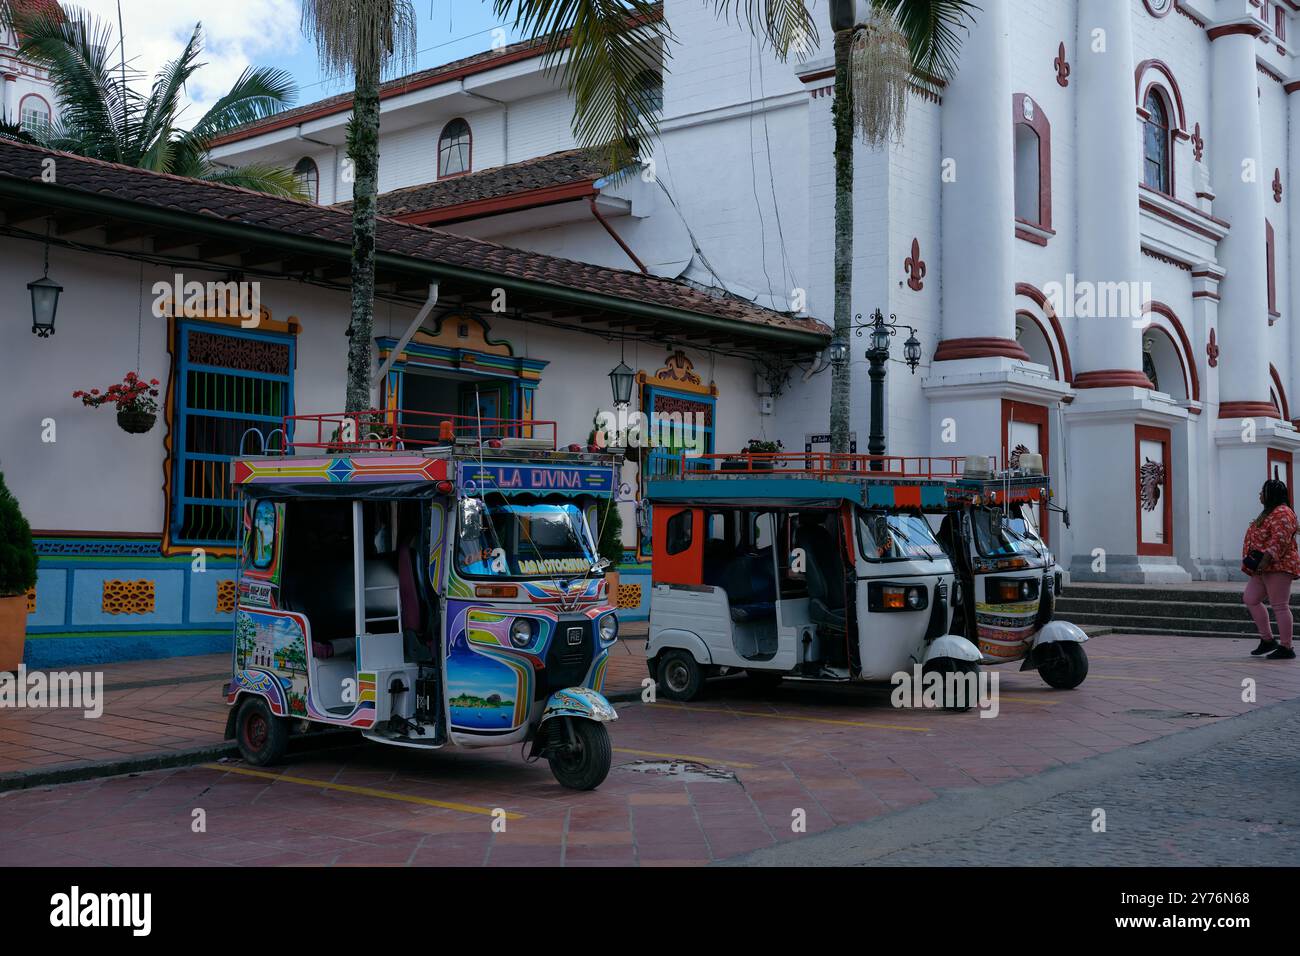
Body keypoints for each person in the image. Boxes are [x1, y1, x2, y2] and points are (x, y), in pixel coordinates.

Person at [1242, 478, 1299, 660]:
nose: (1260, 495)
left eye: (1263, 492)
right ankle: (1267, 640)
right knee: (1250, 598)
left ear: (1271, 494)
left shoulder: (1283, 512)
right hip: (1263, 568)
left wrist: (1265, 560)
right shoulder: (1269, 512)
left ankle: (1286, 646)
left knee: (1280, 606)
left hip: (1278, 566)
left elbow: (1279, 539)